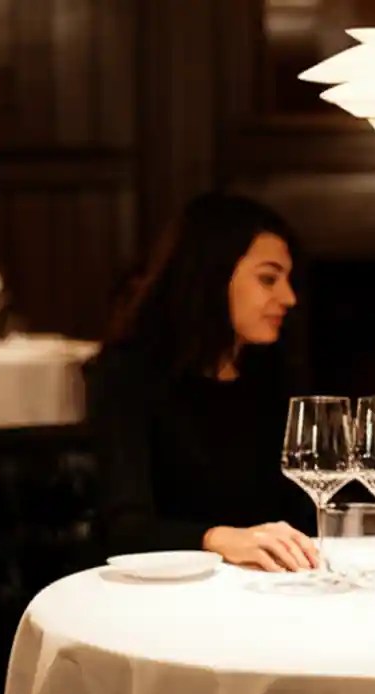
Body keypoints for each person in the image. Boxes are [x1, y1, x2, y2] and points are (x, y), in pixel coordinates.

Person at [85, 193, 319, 573]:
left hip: (265, 587)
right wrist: (217, 538)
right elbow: (126, 528)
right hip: (158, 594)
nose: (289, 297)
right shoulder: (127, 372)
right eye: (268, 278)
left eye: (288, 280)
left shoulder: (274, 372)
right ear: (213, 273)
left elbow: (303, 511)